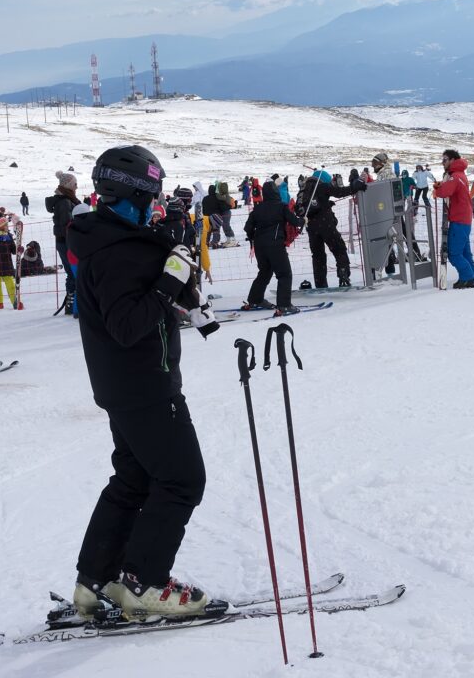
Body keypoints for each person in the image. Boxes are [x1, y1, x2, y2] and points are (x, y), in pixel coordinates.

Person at [66, 145, 221, 621]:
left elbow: (130, 311)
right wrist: (168, 282)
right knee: (181, 479)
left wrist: (176, 296)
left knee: (134, 478)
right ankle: (144, 582)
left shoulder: (106, 240)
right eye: (152, 195)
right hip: (145, 386)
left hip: (122, 384)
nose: (155, 205)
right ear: (137, 192)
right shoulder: (120, 251)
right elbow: (128, 324)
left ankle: (97, 579)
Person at [243, 181, 300, 314]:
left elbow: (248, 227)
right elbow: (295, 221)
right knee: (284, 274)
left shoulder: (257, 208)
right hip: (275, 245)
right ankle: (284, 305)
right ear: (276, 192)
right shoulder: (281, 206)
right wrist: (303, 221)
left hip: (260, 246)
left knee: (265, 272)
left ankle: (255, 299)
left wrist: (253, 237)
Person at [299, 169, 362, 288]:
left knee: (318, 256)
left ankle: (320, 283)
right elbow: (340, 192)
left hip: (311, 226)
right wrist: (354, 187)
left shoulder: (304, 188)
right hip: (326, 224)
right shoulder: (321, 186)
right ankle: (343, 276)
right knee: (339, 249)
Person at [434, 150, 474, 288]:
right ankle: (472, 278)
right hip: (464, 218)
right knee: (465, 252)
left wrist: (437, 188)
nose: (443, 162)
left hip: (459, 219)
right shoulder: (460, 175)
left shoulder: (455, 177)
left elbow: (444, 192)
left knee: (454, 253)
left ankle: (468, 278)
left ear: (453, 160)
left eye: (445, 160)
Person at [46, 172, 79, 312]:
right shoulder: (65, 202)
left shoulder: (66, 199)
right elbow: (66, 224)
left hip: (66, 241)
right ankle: (72, 303)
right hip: (67, 241)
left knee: (72, 272)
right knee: (73, 272)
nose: (76, 187)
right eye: (75, 184)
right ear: (69, 186)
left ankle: (73, 302)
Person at [0, 209, 22, 310]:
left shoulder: (9, 237)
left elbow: (13, 250)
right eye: (6, 225)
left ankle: (15, 301)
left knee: (11, 284)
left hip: (6, 264)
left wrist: (18, 249)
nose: (8, 227)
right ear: (1, 226)